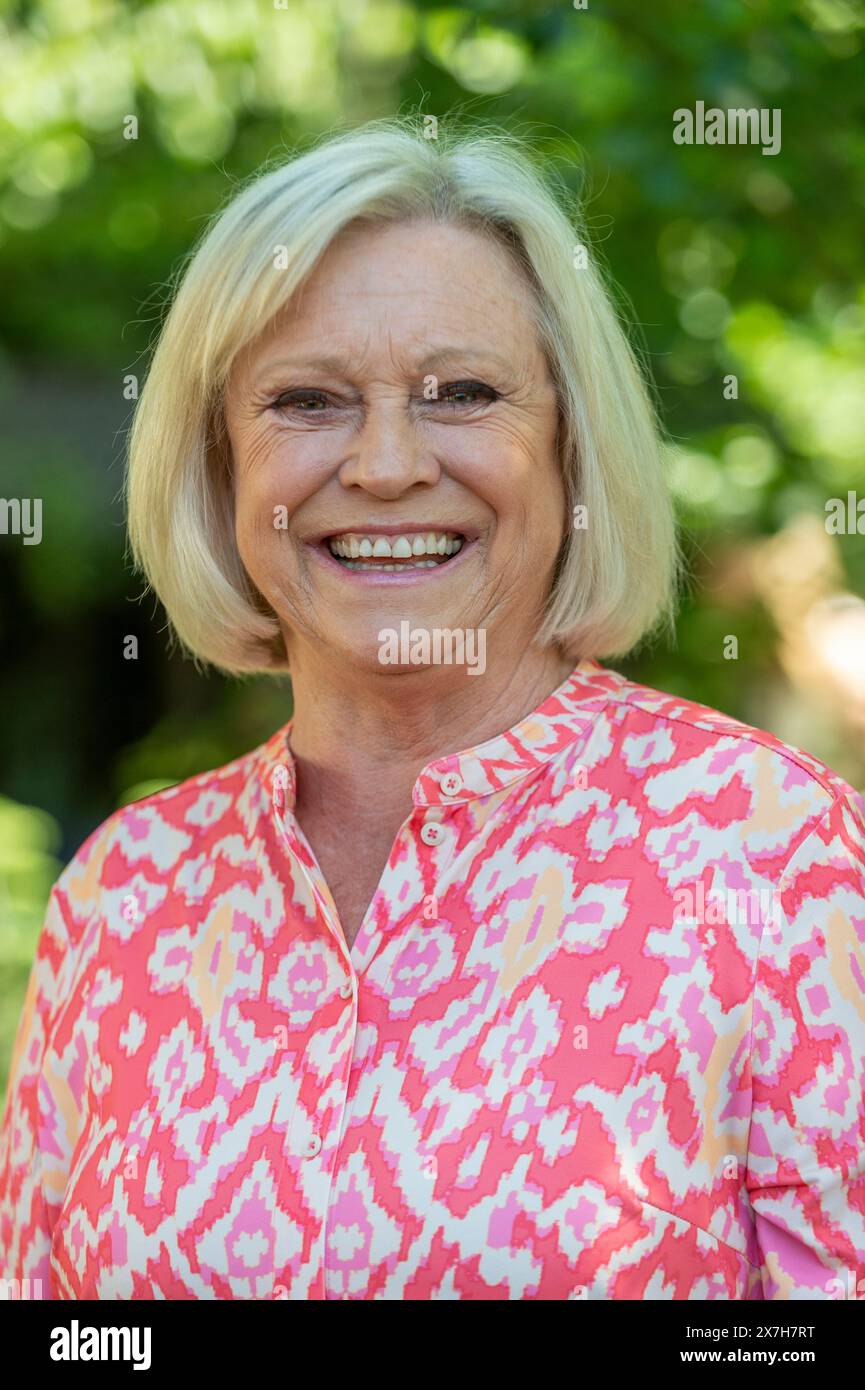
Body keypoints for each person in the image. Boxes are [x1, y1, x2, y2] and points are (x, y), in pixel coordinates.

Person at [1, 118, 863, 1300]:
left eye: (462, 391)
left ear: (569, 444)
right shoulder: (122, 895)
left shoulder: (774, 849)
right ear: (218, 463)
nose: (388, 464)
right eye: (306, 401)